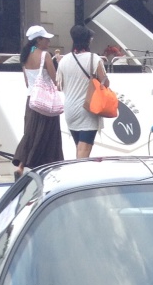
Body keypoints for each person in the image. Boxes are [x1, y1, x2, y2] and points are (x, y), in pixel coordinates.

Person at [11, 25, 63, 178]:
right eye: (45, 39)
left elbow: (27, 82)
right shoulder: (45, 55)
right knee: (49, 134)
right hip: (45, 101)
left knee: (30, 132)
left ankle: (20, 166)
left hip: (31, 99)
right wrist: (58, 63)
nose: (48, 41)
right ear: (38, 40)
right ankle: (48, 168)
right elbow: (55, 80)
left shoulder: (25, 56)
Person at [58, 24, 109, 159]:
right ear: (87, 40)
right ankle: (79, 177)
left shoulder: (64, 60)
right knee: (84, 151)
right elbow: (106, 83)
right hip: (87, 109)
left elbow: (60, 86)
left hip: (70, 109)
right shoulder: (94, 59)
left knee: (80, 149)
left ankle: (80, 174)